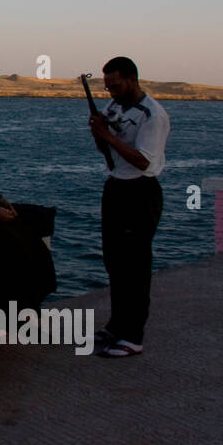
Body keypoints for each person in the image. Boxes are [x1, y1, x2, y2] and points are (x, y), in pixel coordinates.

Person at [88, 56, 170, 357]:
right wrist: (99, 133)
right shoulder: (115, 108)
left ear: (132, 79)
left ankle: (133, 335)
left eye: (116, 85)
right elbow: (107, 149)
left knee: (135, 265)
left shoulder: (152, 115)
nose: (111, 92)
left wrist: (108, 134)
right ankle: (117, 324)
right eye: (107, 86)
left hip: (140, 191)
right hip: (116, 186)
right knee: (115, 261)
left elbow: (142, 159)